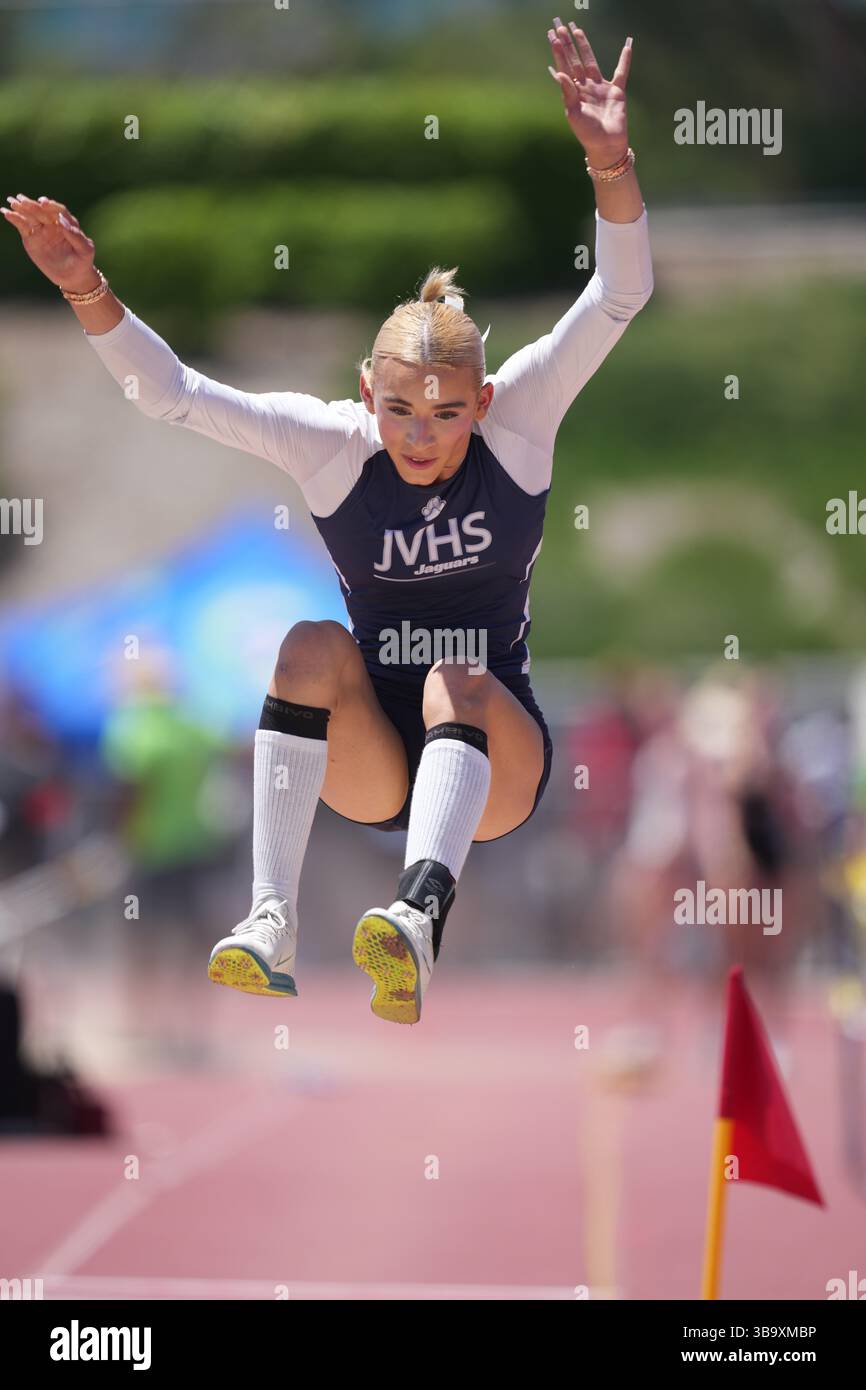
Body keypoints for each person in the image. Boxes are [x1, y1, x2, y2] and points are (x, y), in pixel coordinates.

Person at [3, 22, 653, 1024]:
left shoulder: (520, 418)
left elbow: (619, 293)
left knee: (455, 671)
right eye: (399, 411)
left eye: (445, 414)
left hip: (491, 746)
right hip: (367, 748)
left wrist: (607, 162)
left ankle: (419, 915)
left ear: (479, 405)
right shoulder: (331, 444)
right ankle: (269, 918)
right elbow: (171, 393)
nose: (421, 438)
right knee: (306, 645)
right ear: (365, 393)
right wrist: (86, 288)